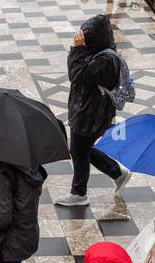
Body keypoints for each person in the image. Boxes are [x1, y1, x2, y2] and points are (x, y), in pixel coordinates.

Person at [56, 13, 132, 206]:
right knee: (82, 149)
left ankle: (79, 193)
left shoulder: (106, 59)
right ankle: (117, 172)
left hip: (92, 113)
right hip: (87, 109)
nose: (84, 40)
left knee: (79, 149)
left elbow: (76, 73)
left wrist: (77, 49)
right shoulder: (99, 52)